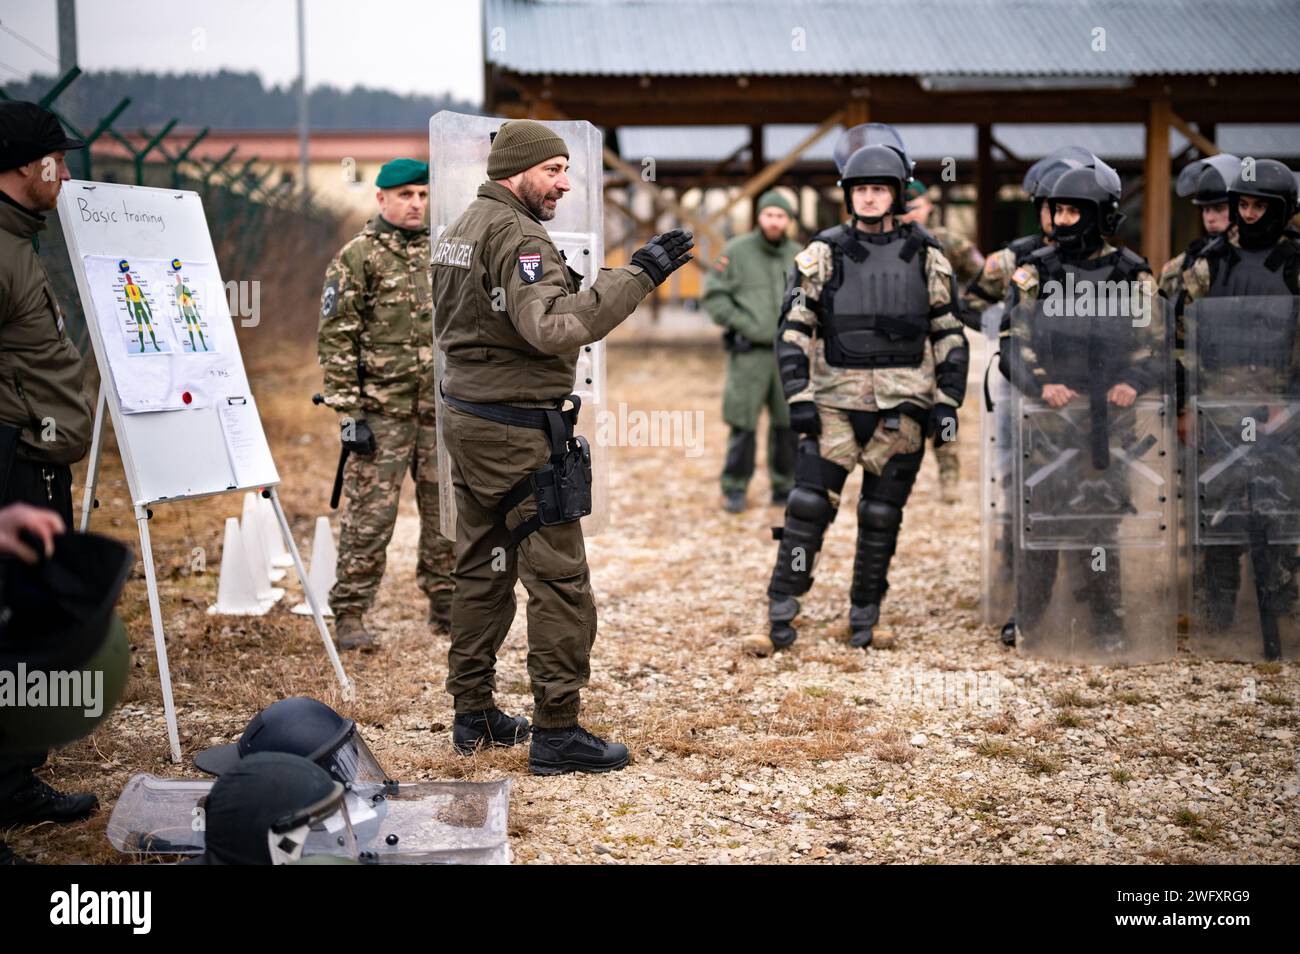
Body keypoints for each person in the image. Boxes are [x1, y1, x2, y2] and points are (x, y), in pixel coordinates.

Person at [431, 119, 692, 773]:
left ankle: (474, 715)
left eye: (564, 169)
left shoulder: (462, 227)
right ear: (515, 170)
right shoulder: (518, 235)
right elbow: (551, 327)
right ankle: (556, 733)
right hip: (516, 431)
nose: (565, 182)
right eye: (552, 170)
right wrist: (636, 276)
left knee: (482, 566)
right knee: (560, 581)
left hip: (467, 419)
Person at [751, 127, 968, 655]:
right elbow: (793, 331)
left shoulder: (927, 254)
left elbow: (948, 332)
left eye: (880, 188)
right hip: (833, 406)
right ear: (848, 193)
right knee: (806, 509)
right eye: (860, 188)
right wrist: (799, 397)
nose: (869, 196)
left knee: (880, 516)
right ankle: (780, 614)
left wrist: (949, 402)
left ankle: (864, 616)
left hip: (904, 408)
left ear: (897, 192)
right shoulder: (823, 253)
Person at [1000, 158, 1165, 657]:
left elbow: (1159, 345)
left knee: (1100, 525)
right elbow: (1011, 343)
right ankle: (1029, 619)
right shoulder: (1035, 274)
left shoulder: (1132, 275)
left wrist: (1133, 382)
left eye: (1072, 211)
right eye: (1056, 210)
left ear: (1097, 215)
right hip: (1049, 414)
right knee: (1041, 517)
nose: (1061, 220)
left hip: (1110, 420)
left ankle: (1106, 623)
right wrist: (1040, 385)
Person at [0, 101, 100, 858]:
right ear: (23, 164)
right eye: (54, 161)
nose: (63, 174)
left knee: (34, 625)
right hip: (8, 462)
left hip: (36, 460)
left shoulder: (19, 242)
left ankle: (13, 781)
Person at [317, 157, 454, 650]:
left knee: (446, 514)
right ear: (382, 199)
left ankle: (446, 602)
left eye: (422, 195)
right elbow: (336, 339)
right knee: (371, 518)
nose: (416, 204)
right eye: (405, 196)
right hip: (383, 413)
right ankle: (350, 613)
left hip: (439, 411)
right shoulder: (357, 257)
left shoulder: (444, 253)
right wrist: (350, 414)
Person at [1179, 158, 1300, 660]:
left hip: (1282, 410)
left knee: (1280, 515)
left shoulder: (1295, 262)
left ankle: (1281, 625)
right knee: (1218, 518)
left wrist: (1290, 403)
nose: (1248, 215)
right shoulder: (1208, 263)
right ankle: (1218, 628)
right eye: (1242, 205)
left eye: (1259, 206)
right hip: (1217, 410)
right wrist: (1185, 406)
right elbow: (1180, 339)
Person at [704, 189, 802, 512]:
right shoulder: (737, 252)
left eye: (781, 216)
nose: (774, 221)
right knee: (743, 423)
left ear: (788, 221)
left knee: (788, 423)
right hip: (750, 355)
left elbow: (813, 296)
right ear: (759, 217)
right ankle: (734, 488)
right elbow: (715, 295)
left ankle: (785, 486)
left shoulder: (800, 256)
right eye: (769, 214)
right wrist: (743, 323)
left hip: (789, 354)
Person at [902, 180, 984, 502]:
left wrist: (965, 308)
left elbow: (983, 278)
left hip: (942, 341)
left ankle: (949, 477)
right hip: (903, 345)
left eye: (915, 207)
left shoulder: (949, 242)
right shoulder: (885, 243)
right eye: (904, 208)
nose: (910, 214)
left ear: (928, 206)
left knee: (945, 411)